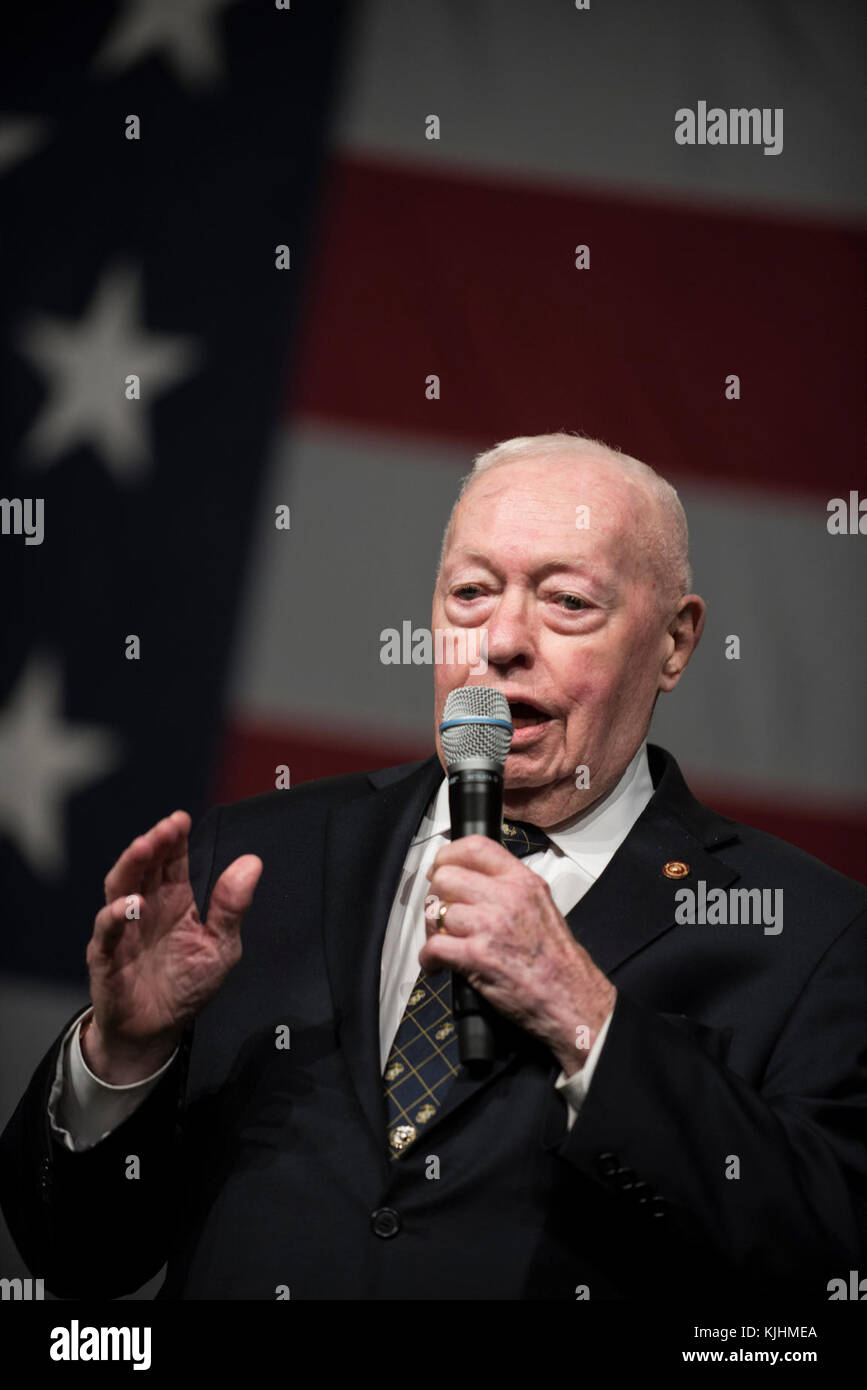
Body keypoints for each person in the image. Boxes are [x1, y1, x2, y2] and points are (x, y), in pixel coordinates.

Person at [1, 433, 865, 1300]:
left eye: (566, 601)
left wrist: (586, 1021)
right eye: (470, 593)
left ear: (675, 643)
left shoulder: (805, 935)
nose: (500, 640)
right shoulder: (252, 868)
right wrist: (121, 1058)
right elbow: (76, 1255)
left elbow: (824, 1253)